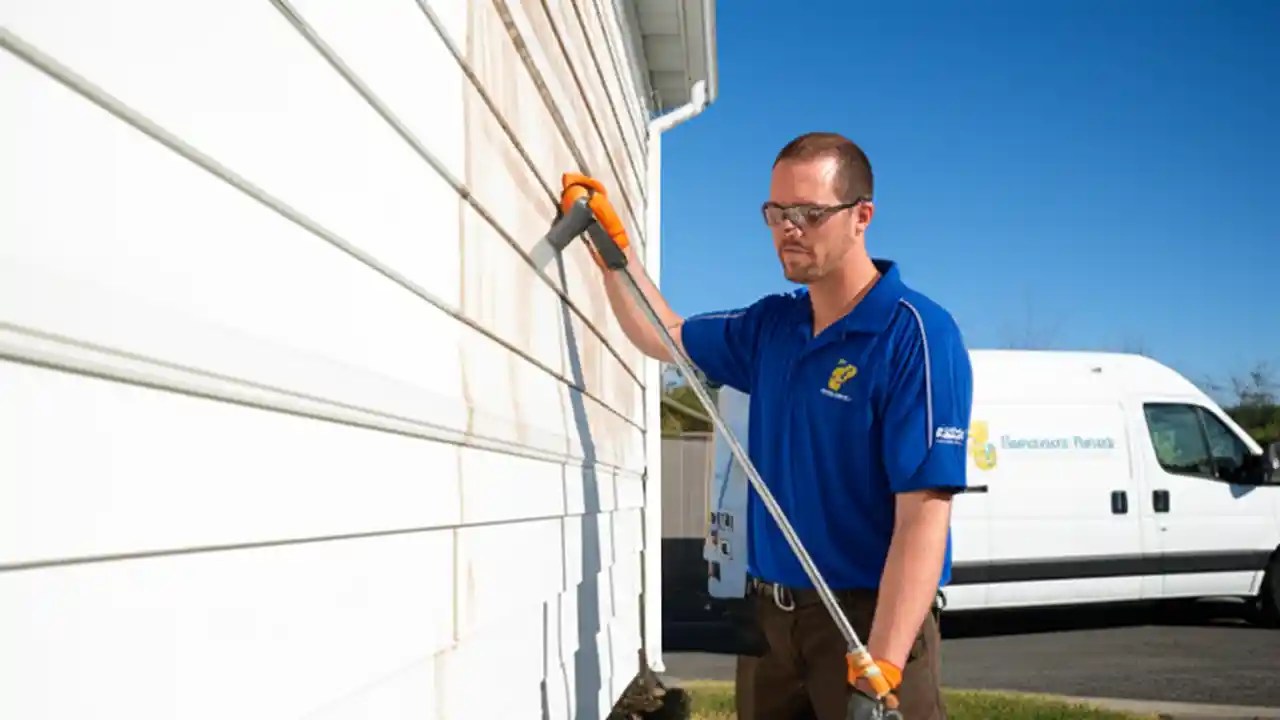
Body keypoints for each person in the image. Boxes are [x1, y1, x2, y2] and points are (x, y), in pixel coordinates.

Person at [569, 131, 972, 720]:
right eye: (777, 212)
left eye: (810, 212)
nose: (790, 227)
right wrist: (613, 255)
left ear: (862, 216)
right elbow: (668, 337)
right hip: (770, 623)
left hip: (866, 627)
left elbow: (925, 515)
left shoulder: (916, 335)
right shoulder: (771, 328)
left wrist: (881, 666)